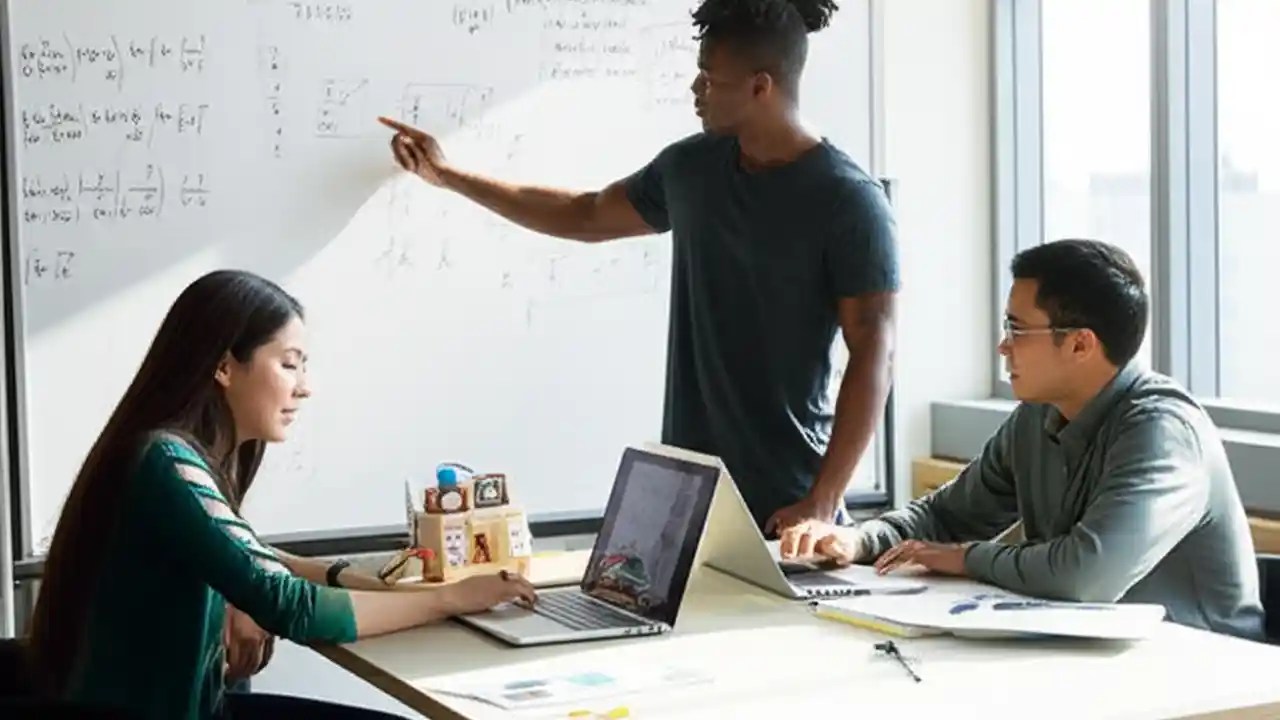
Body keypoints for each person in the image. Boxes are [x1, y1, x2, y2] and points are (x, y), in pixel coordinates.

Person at [377, 0, 899, 536]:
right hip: (687, 498)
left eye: (708, 78)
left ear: (760, 87)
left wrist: (822, 501)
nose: (695, 91)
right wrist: (450, 176)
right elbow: (584, 212)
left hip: (789, 509)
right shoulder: (691, 168)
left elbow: (873, 353)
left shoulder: (848, 201)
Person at [25, 270, 539, 719]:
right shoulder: (166, 460)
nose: (305, 386)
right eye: (289, 364)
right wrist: (448, 599)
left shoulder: (181, 453)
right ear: (225, 367)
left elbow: (252, 560)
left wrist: (360, 580)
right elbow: (291, 607)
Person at [781, 239, 1265, 641]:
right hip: (1092, 655)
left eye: (1016, 328)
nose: (1002, 345)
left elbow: (1086, 575)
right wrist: (859, 540)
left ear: (1080, 344)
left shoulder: (1163, 432)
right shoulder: (1038, 415)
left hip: (1205, 671)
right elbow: (948, 514)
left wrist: (967, 559)